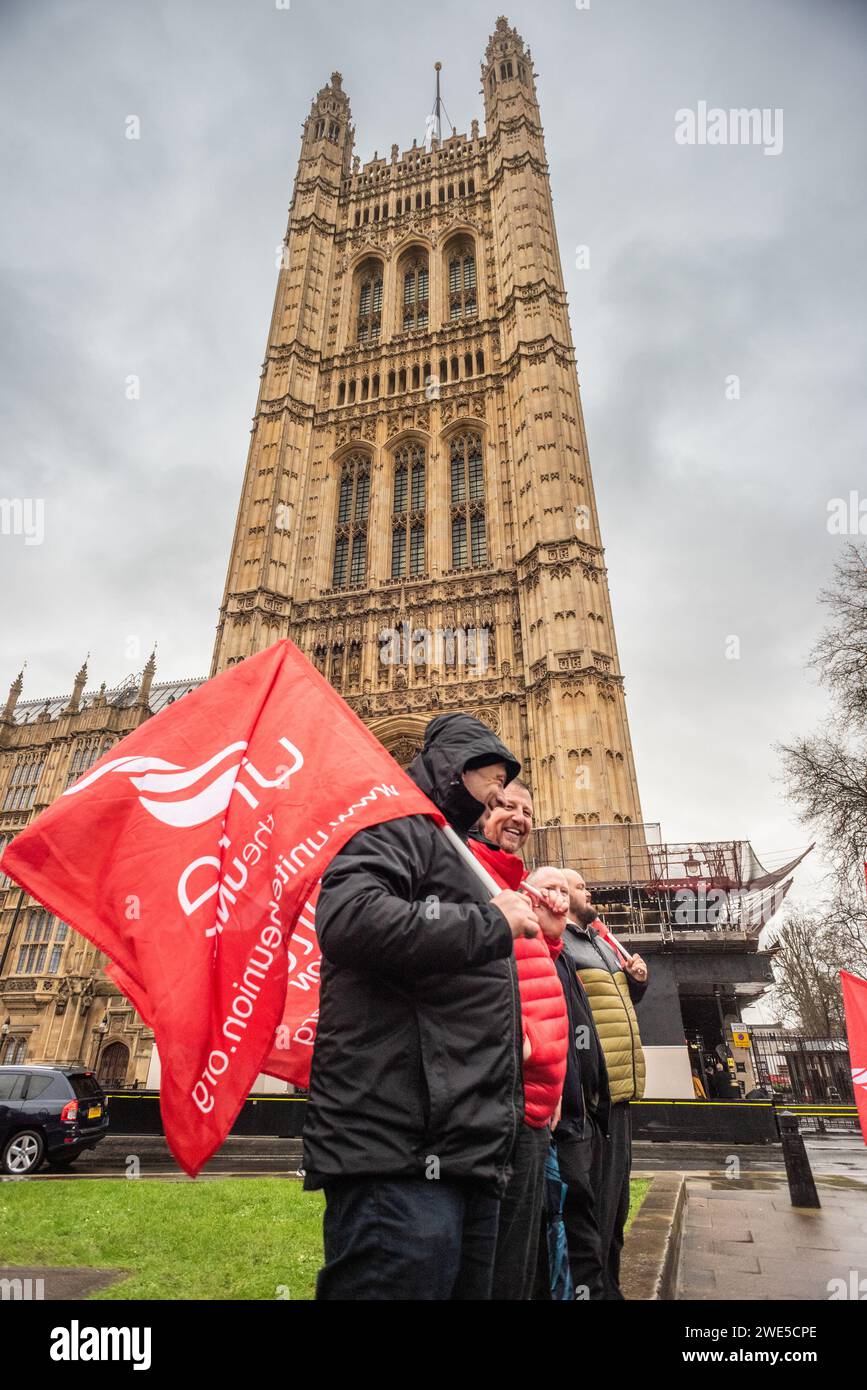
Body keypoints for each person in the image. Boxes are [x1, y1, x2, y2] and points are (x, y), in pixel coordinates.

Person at [302, 713, 540, 1301]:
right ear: (455, 768)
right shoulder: (394, 824)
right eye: (491, 778)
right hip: (399, 1152)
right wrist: (491, 921)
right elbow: (350, 919)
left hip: (465, 1153)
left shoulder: (453, 846)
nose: (499, 796)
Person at [562, 868, 649, 1300]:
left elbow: (615, 1009)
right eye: (579, 886)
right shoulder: (562, 945)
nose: (589, 890)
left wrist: (638, 981)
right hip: (596, 1096)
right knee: (593, 1208)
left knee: (616, 1209)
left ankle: (611, 1288)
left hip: (623, 1093)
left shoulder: (602, 941)